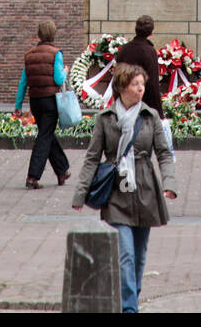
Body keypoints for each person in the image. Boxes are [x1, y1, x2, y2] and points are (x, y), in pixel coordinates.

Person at [72, 63, 177, 313]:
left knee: (139, 256)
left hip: (146, 190)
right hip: (116, 191)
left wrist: (169, 183)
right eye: (135, 84)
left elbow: (164, 153)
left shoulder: (150, 116)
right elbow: (92, 157)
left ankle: (132, 297)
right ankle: (129, 308)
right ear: (121, 87)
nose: (141, 89)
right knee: (126, 254)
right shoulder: (105, 118)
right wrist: (80, 193)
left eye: (142, 84)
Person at [14, 18, 71, 189]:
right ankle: (33, 176)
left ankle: (62, 171)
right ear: (53, 34)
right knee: (45, 136)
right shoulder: (56, 53)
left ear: (39, 35)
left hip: (35, 101)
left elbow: (23, 82)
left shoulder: (29, 55)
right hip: (50, 100)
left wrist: (18, 105)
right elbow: (58, 78)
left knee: (47, 134)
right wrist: (65, 71)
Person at [114, 15, 164, 116]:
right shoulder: (149, 51)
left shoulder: (125, 49)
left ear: (136, 30)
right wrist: (159, 114)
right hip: (142, 107)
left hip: (123, 104)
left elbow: (117, 78)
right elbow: (153, 84)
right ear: (151, 32)